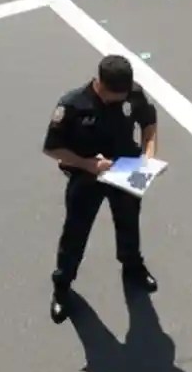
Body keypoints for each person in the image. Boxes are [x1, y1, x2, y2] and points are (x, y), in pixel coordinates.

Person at [43, 55, 159, 324]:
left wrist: (149, 157)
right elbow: (52, 148)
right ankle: (62, 286)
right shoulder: (72, 105)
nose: (120, 100)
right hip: (87, 176)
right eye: (114, 96)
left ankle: (132, 266)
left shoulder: (132, 93)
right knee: (76, 232)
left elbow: (149, 123)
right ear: (99, 84)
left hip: (126, 170)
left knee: (129, 222)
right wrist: (87, 163)